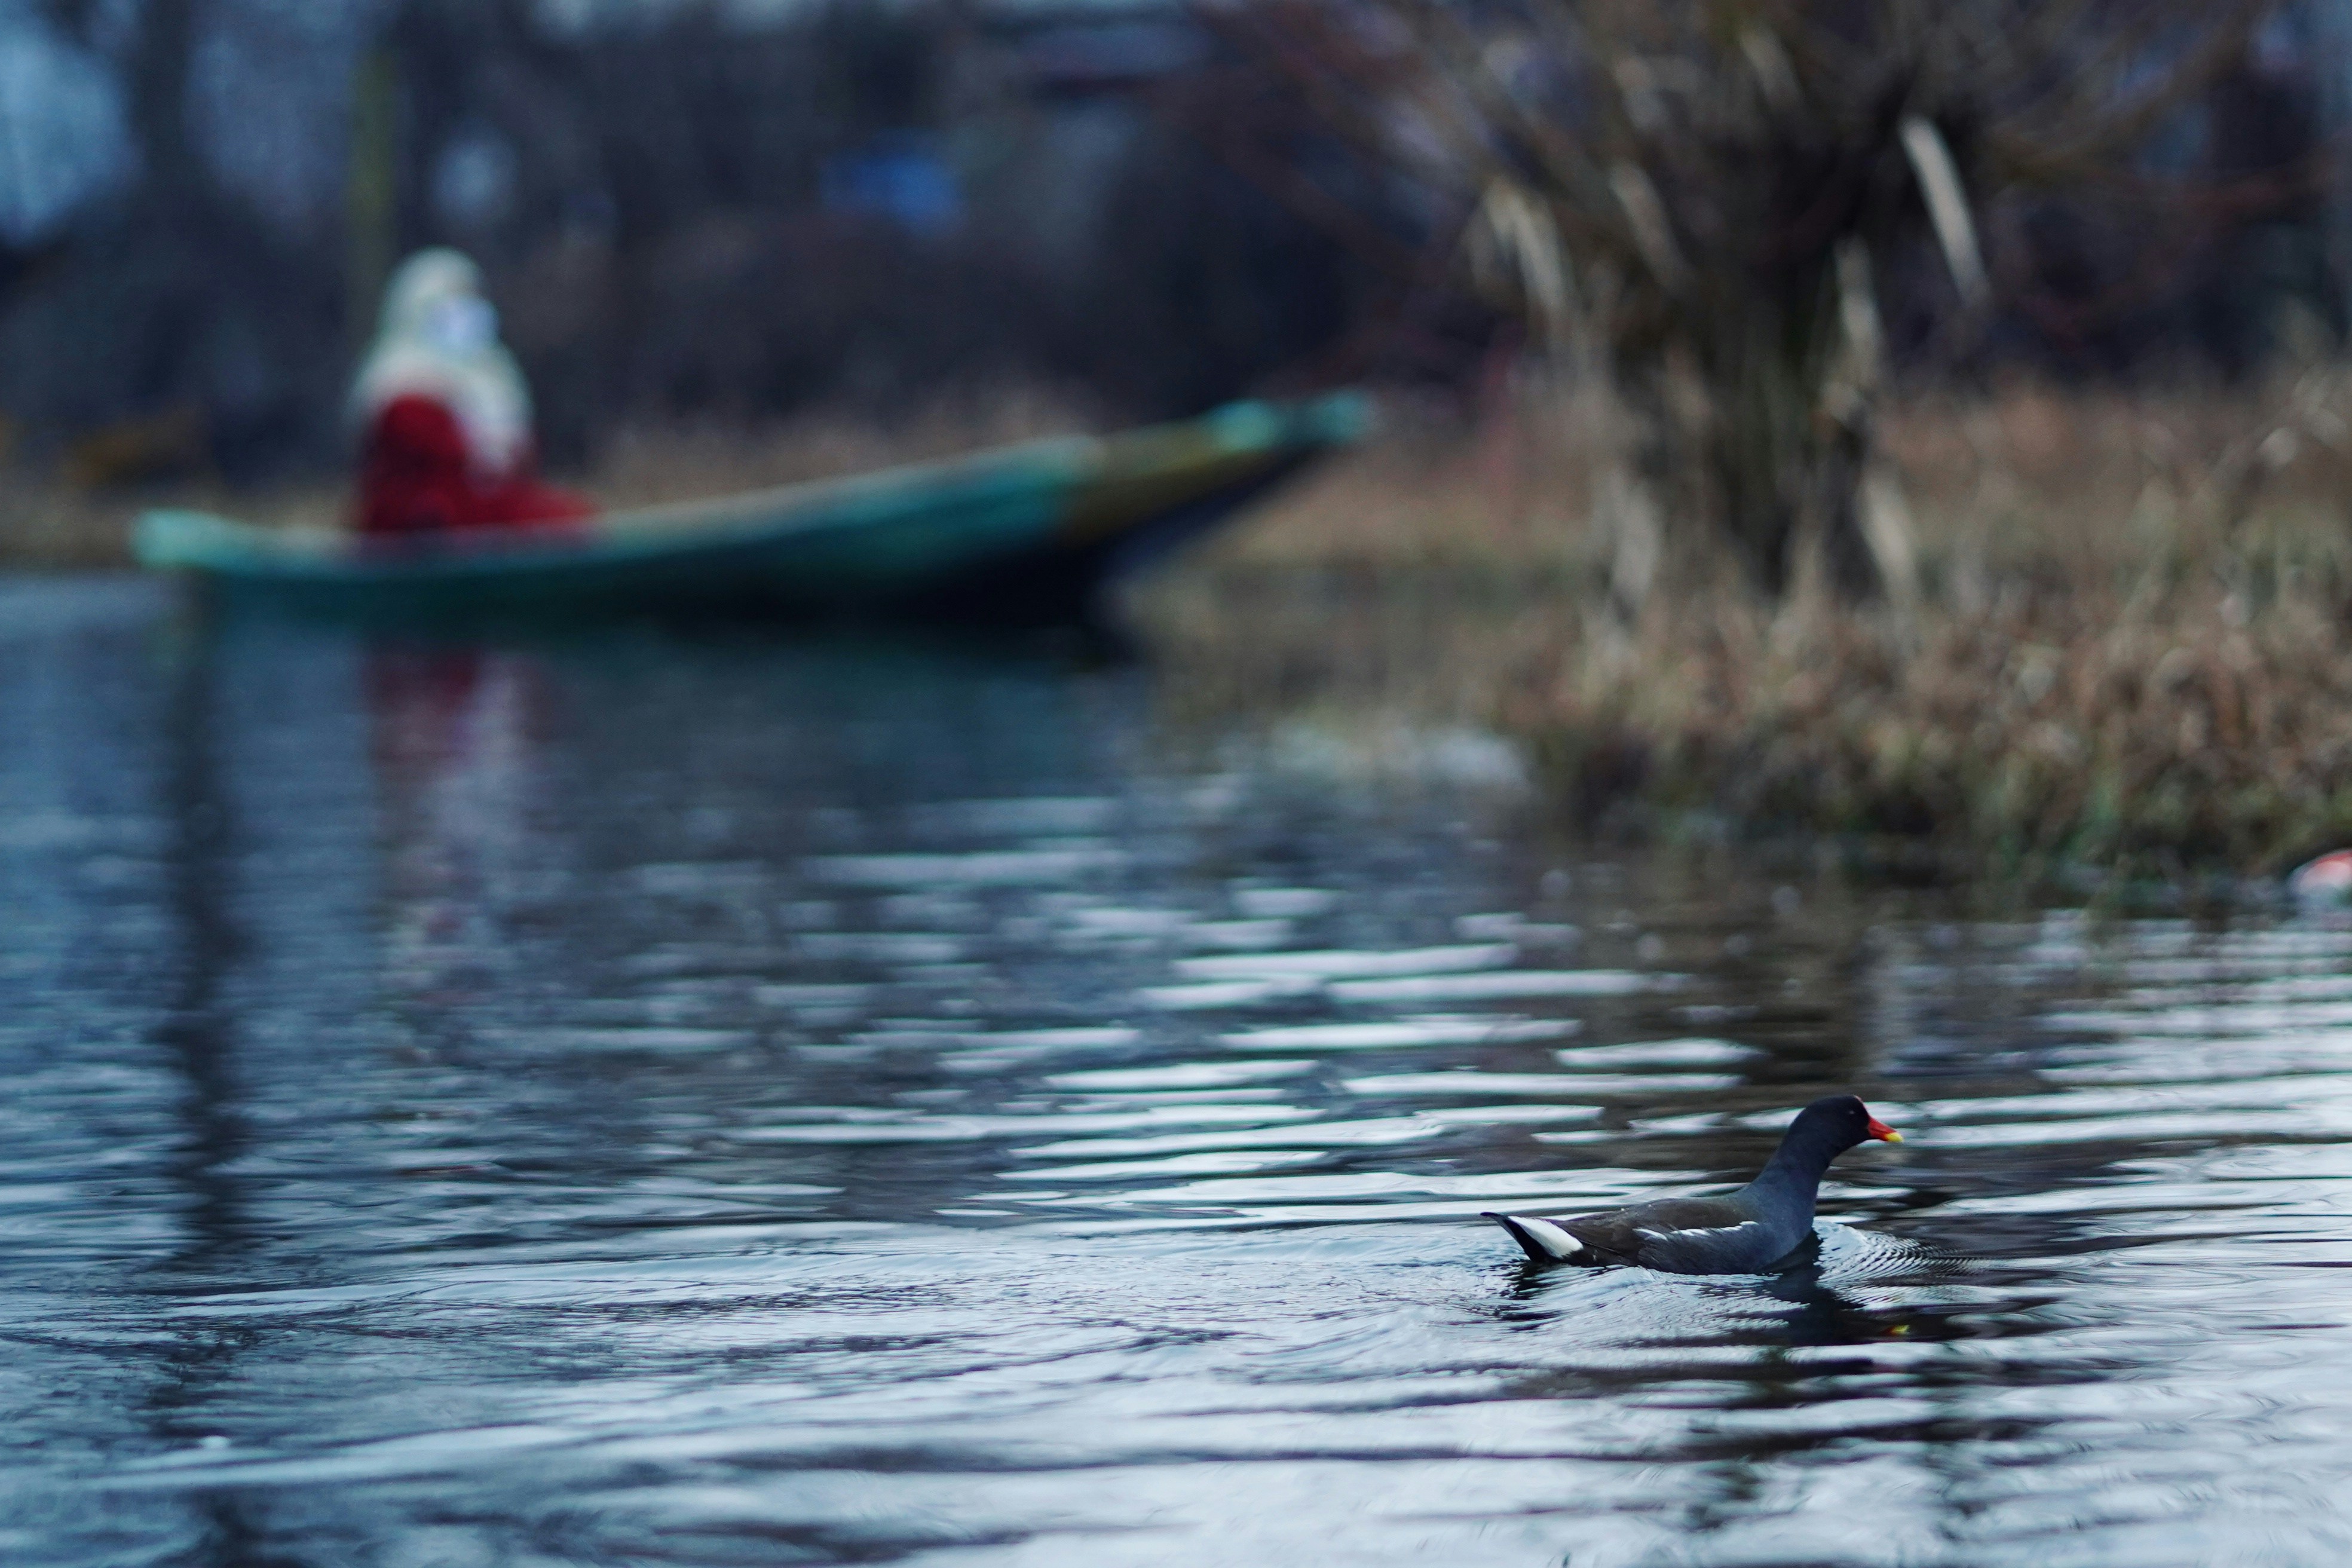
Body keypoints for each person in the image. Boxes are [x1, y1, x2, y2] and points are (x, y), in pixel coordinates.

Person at [349, 249, 593, 537]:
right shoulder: (401, 385)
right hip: (423, 531)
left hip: (488, 521)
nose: (465, 311)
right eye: (452, 301)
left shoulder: (493, 377)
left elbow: (518, 466)